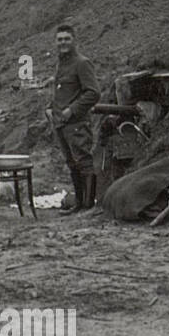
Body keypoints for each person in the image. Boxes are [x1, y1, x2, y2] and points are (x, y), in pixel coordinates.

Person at [48, 23, 101, 214]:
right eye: (60, 39)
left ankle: (88, 207)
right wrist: (51, 109)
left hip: (76, 122)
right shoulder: (61, 64)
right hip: (61, 124)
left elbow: (93, 93)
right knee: (72, 163)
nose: (63, 43)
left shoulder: (82, 63)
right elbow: (62, 91)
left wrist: (71, 110)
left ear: (74, 41)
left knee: (84, 161)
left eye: (67, 39)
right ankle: (79, 204)